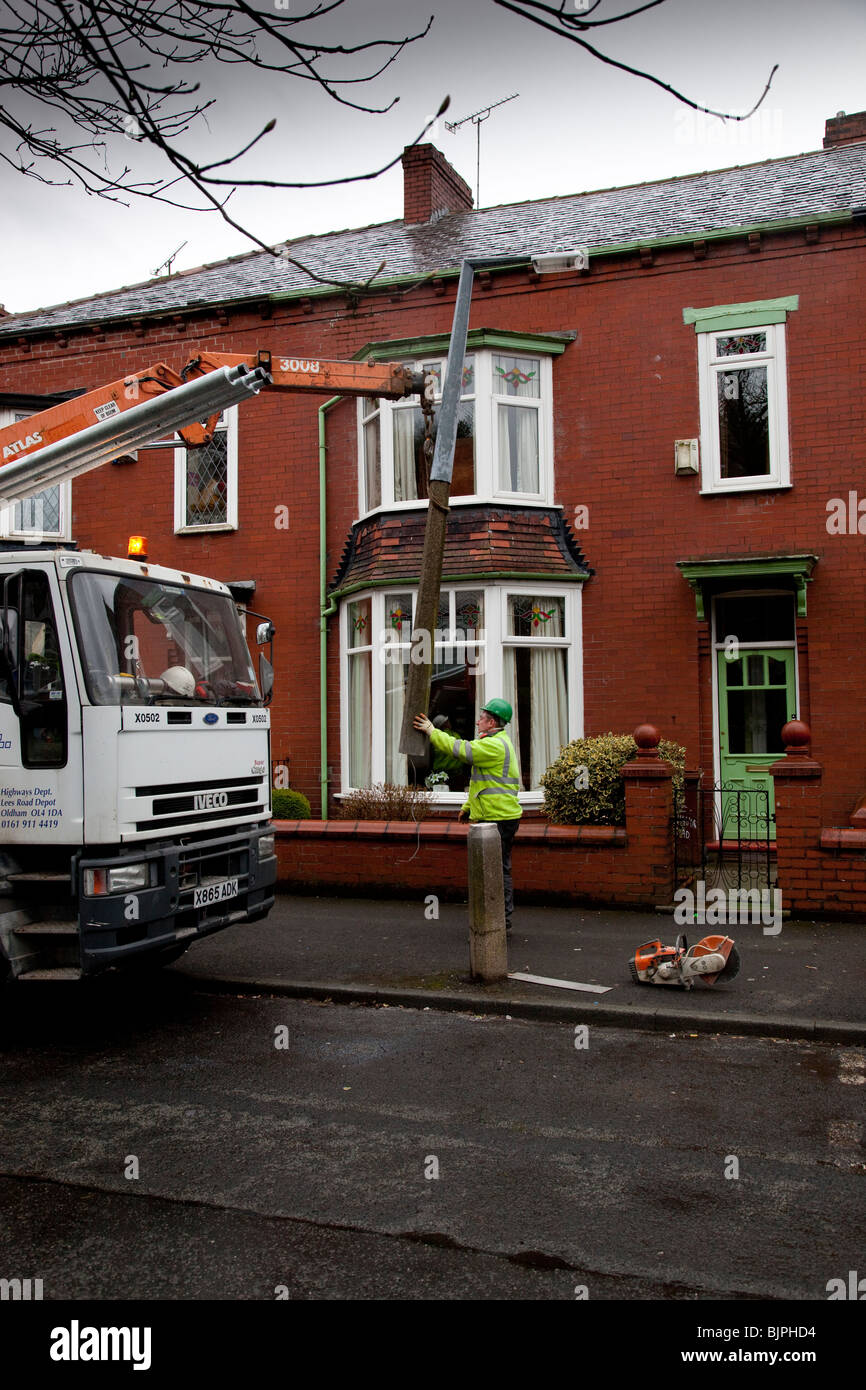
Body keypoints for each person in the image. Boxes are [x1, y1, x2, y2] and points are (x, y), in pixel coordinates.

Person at [414, 698, 522, 932]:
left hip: (500, 818)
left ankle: (503, 920)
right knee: (495, 867)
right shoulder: (494, 742)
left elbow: (460, 749)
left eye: (481, 718)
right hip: (498, 816)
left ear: (491, 722)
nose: (477, 721)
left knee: (498, 869)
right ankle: (499, 917)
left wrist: (432, 731)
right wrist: (469, 807)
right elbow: (480, 783)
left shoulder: (493, 746)